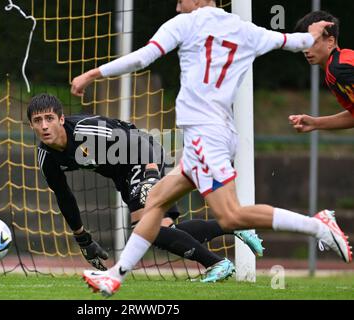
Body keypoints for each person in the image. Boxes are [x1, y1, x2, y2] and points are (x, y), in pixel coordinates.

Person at [71, 0, 352, 297]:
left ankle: (318, 226)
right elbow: (295, 42)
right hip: (213, 132)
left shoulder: (186, 23)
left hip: (206, 134)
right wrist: (314, 35)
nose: (178, 7)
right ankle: (115, 276)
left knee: (230, 216)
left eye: (181, 1)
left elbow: (143, 58)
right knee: (154, 201)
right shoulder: (247, 30)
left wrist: (92, 74)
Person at [28, 93, 264, 283]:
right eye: (38, 121)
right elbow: (64, 196)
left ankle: (216, 263)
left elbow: (135, 139)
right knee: (165, 230)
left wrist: (151, 173)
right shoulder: (47, 157)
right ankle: (234, 225)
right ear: (31, 125)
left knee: (145, 228)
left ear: (61, 119)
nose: (44, 126)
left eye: (49, 118)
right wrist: (83, 239)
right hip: (123, 174)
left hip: (142, 156)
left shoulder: (84, 130)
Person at [289, 11, 354, 131]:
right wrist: (315, 123)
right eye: (304, 43)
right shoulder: (334, 71)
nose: (306, 50)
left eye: (312, 42)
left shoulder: (340, 69)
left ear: (330, 41)